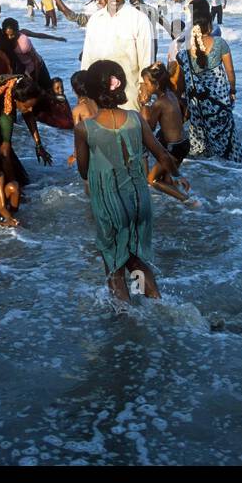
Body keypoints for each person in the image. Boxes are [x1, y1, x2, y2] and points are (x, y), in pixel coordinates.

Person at [74, 60, 180, 304]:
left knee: (114, 265)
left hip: (110, 203)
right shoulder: (135, 118)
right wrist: (178, 177)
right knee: (134, 258)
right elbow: (162, 156)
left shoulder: (84, 129)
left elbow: (83, 171)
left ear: (91, 92)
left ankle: (124, 322)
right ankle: (158, 304)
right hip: (140, 200)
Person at [173, 16, 242, 164]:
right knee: (225, 134)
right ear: (210, 27)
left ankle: (205, 165)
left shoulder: (184, 51)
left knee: (201, 136)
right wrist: (232, 91)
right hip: (219, 102)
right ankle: (230, 164)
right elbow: (230, 72)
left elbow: (180, 79)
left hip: (197, 103)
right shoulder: (219, 44)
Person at [76, 0, 153, 112]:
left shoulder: (139, 20)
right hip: (98, 96)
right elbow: (87, 59)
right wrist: (83, 94)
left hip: (129, 97)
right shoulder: (95, 20)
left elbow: (146, 61)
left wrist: (144, 92)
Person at [140, 62, 188, 165]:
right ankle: (177, 180)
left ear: (156, 85)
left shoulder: (159, 103)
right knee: (170, 177)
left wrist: (145, 103)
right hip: (184, 143)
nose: (144, 86)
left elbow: (150, 127)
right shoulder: (170, 94)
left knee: (152, 180)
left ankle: (180, 180)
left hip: (173, 148)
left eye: (146, 84)